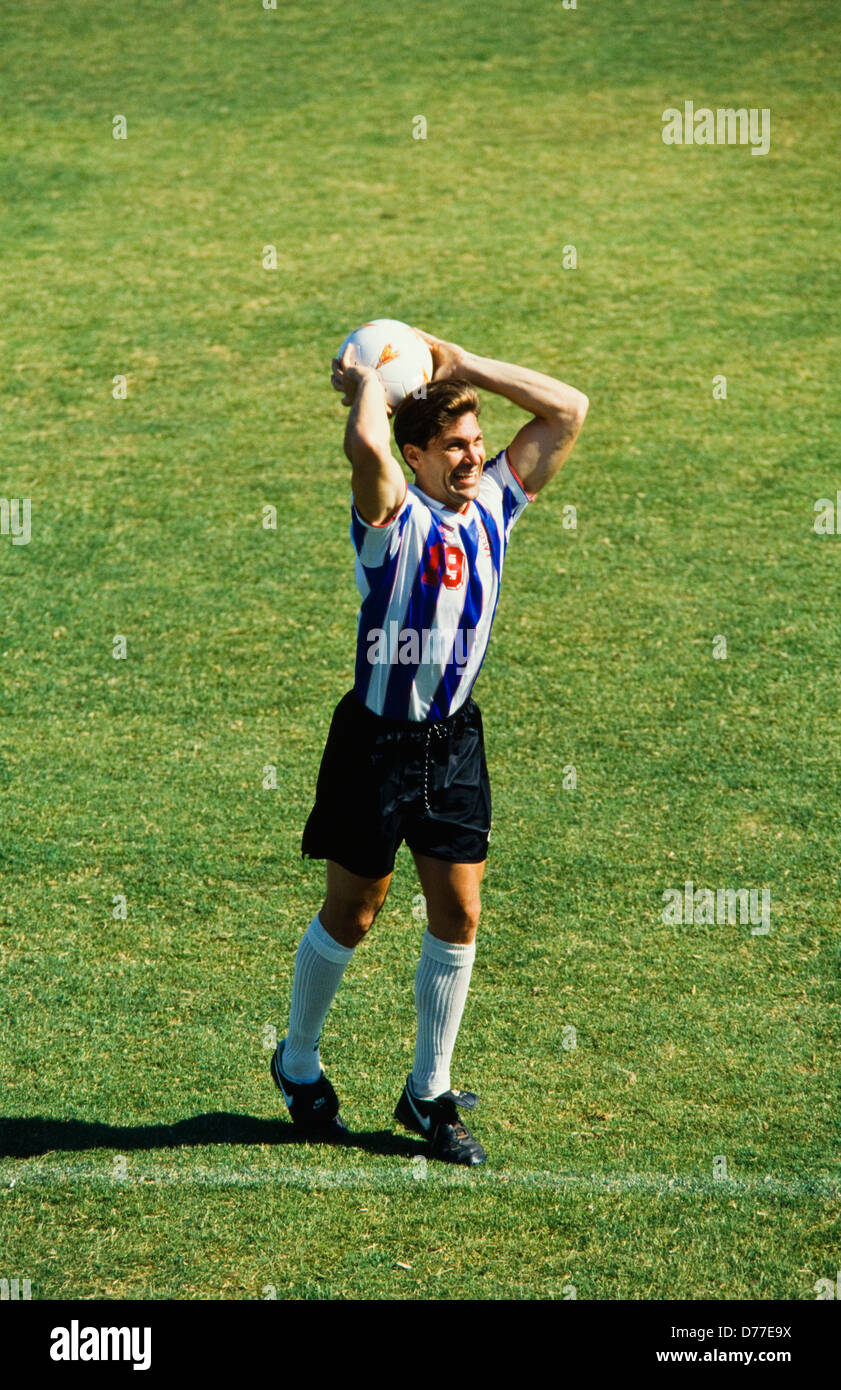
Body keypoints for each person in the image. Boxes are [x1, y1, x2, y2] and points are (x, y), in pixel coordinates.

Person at [271, 327, 588, 1164]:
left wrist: (461, 364)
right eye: (452, 446)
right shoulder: (387, 516)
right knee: (356, 912)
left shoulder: (494, 506)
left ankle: (429, 1093)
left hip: (453, 743)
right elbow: (366, 444)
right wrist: (366, 384)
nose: (472, 459)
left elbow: (566, 410)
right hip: (373, 746)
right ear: (415, 456)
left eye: (478, 443)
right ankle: (296, 1062)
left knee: (458, 912)